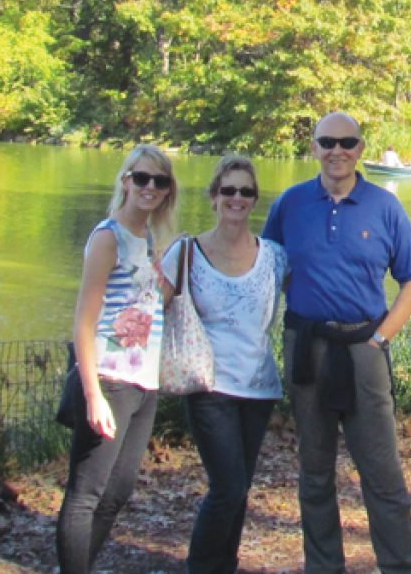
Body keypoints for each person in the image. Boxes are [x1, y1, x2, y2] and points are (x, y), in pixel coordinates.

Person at [262, 111, 411, 573]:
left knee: (382, 473)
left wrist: (379, 337)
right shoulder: (290, 205)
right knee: (314, 474)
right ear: (313, 147)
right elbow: (266, 272)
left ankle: (400, 567)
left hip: (363, 350)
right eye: (327, 142)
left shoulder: (385, 207)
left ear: (361, 148)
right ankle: (323, 567)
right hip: (306, 346)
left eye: (347, 142)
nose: (337, 150)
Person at [161, 156, 288, 573]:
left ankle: (224, 565)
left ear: (254, 200)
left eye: (246, 191)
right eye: (228, 190)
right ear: (213, 196)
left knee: (240, 488)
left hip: (258, 388)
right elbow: (147, 308)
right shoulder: (186, 252)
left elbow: (312, 292)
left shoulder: (273, 256)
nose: (237, 198)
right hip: (209, 386)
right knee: (227, 487)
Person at [56, 144, 177, 573]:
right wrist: (92, 395)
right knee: (87, 493)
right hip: (109, 379)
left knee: (118, 492)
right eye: (141, 178)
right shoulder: (108, 237)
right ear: (125, 180)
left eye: (159, 181)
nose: (150, 187)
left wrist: (172, 279)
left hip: (145, 383)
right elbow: (84, 322)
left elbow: (147, 307)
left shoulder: (149, 241)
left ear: (167, 191)